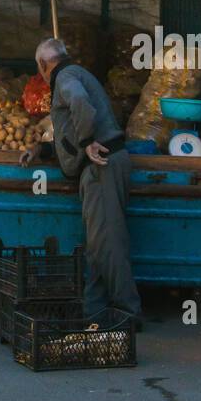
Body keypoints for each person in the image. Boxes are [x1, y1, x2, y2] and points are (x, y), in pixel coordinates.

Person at [20, 36, 142, 327]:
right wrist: (43, 150)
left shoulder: (65, 78)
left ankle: (128, 313)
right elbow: (71, 134)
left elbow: (80, 105)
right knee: (98, 244)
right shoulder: (78, 73)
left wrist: (87, 141)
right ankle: (95, 311)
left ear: (43, 64)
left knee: (108, 244)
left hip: (102, 167)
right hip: (102, 167)